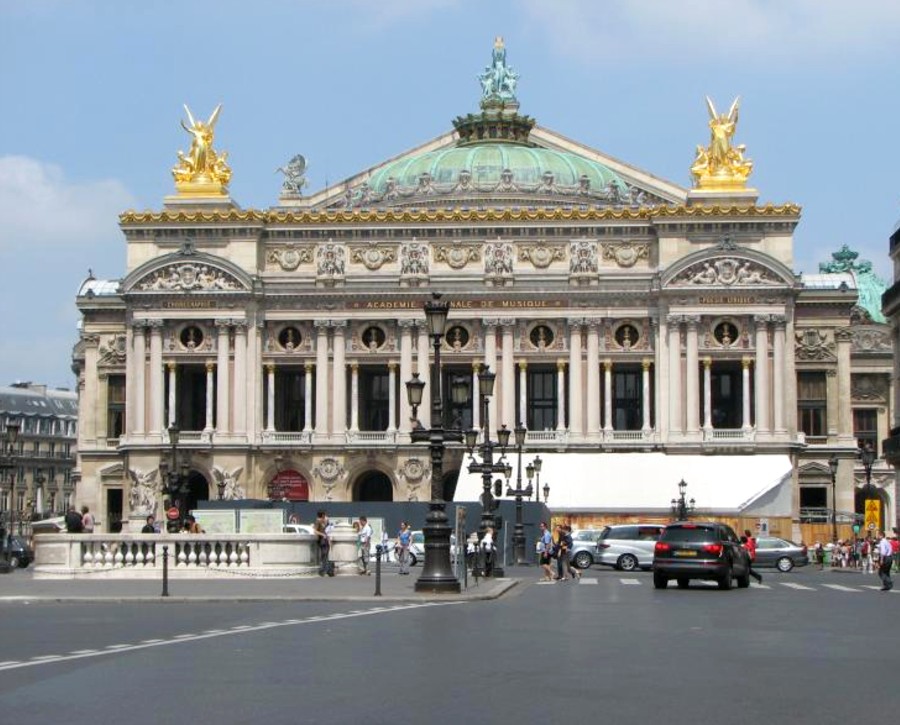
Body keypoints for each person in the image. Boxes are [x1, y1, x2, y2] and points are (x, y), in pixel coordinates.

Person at [314, 509, 331, 576]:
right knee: (324, 555)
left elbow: (328, 530)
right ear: (322, 515)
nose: (325, 516)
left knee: (326, 555)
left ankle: (325, 570)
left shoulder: (326, 521)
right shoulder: (318, 521)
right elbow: (315, 531)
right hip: (322, 540)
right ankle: (323, 571)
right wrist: (322, 534)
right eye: (324, 514)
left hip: (326, 540)